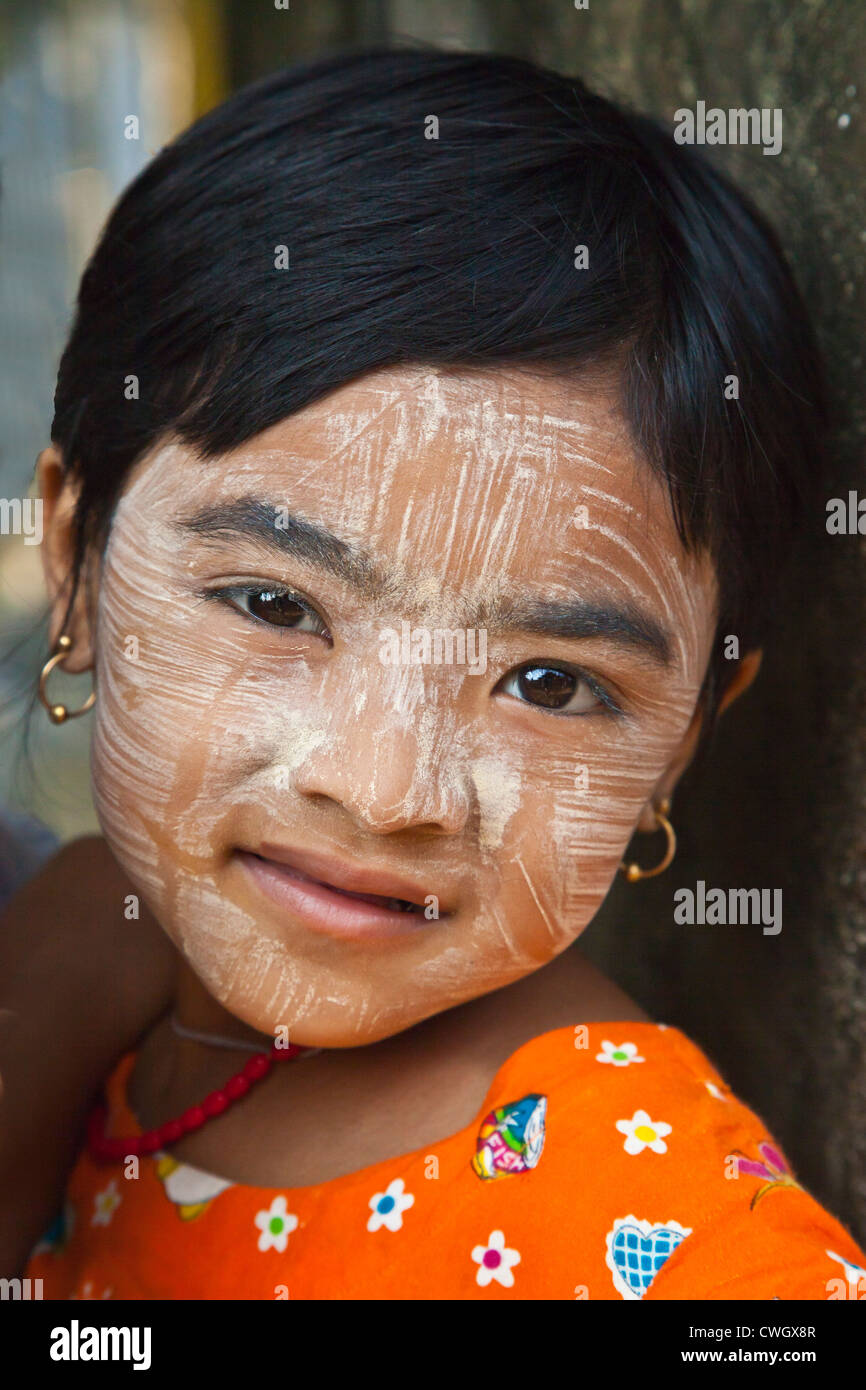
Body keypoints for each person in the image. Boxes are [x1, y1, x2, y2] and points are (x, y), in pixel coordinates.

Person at [6, 46, 866, 1298]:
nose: (382, 788)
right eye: (274, 603)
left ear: (679, 738)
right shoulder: (100, 960)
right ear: (78, 564)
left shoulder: (674, 1238)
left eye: (550, 683)